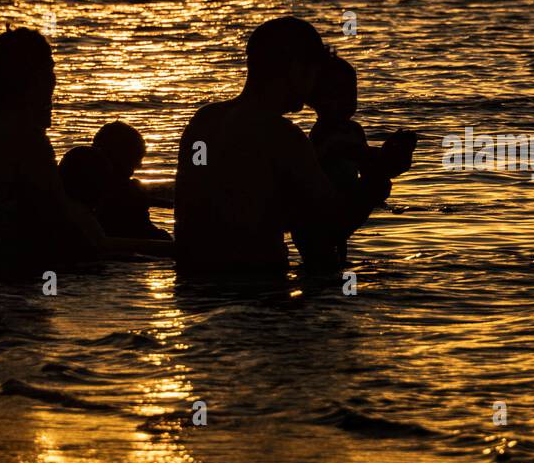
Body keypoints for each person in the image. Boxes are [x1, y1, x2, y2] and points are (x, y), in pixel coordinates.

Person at [175, 17, 416, 274]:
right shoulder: (282, 136)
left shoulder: (204, 119)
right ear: (295, 68)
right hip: (255, 291)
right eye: (313, 71)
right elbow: (331, 226)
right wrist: (377, 180)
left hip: (192, 285)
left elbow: (236, 204)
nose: (315, 84)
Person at [0, 29, 170, 276]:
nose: (54, 81)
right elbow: (69, 232)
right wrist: (170, 250)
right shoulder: (24, 136)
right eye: (50, 71)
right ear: (32, 79)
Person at [302, 52, 404, 267]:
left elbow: (365, 162)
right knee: (321, 255)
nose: (349, 101)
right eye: (339, 95)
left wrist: (383, 163)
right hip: (323, 206)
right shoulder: (323, 132)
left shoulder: (354, 129)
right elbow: (349, 153)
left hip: (346, 196)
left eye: (353, 93)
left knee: (339, 249)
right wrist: (385, 158)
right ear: (315, 100)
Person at [92, 122, 171, 242]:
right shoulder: (128, 194)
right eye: (137, 158)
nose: (139, 166)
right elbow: (145, 232)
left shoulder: (84, 189)